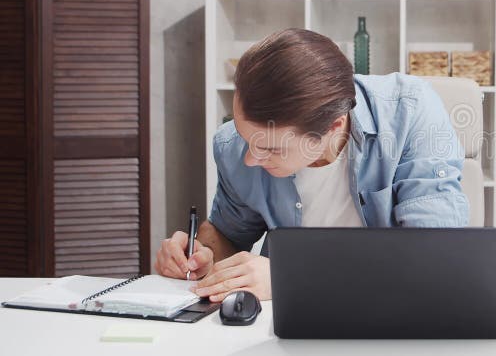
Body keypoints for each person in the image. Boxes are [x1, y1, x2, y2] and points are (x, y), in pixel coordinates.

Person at [154, 28, 469, 301]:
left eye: (270, 148)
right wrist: (203, 255)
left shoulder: (411, 113)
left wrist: (291, 276)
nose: (249, 158)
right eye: (244, 137)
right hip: (284, 321)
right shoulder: (233, 146)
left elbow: (432, 258)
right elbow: (229, 234)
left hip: (390, 311)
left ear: (333, 126)